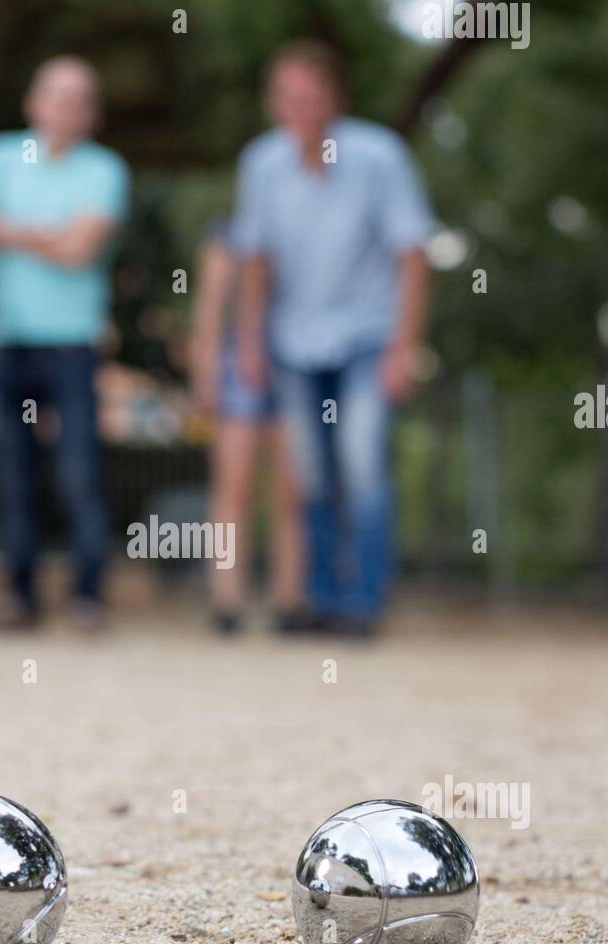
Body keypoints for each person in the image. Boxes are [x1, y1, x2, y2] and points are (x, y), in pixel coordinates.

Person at [232, 42, 434, 638]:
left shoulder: (380, 156)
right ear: (274, 104)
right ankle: (319, 598)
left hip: (368, 337)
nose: (302, 107)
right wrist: (249, 343)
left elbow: (414, 256)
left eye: (312, 95)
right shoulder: (261, 164)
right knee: (311, 476)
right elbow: (255, 261)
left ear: (335, 98)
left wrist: (405, 346)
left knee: (362, 465)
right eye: (290, 96)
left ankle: (364, 603)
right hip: (294, 342)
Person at [0, 55, 129, 631]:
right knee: (14, 476)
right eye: (57, 95)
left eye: (79, 98)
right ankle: (21, 596)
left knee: (80, 473)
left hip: (72, 344)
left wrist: (7, 231)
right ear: (34, 102)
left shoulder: (104, 170)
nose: (66, 108)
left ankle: (88, 596)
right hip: (8, 341)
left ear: (92, 113)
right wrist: (49, 236)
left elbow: (79, 251)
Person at [189, 220, 307, 635]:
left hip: (297, 363)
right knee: (232, 489)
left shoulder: (305, 227)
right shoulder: (227, 236)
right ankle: (226, 603)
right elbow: (209, 306)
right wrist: (205, 369)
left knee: (291, 493)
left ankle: (289, 601)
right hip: (237, 369)